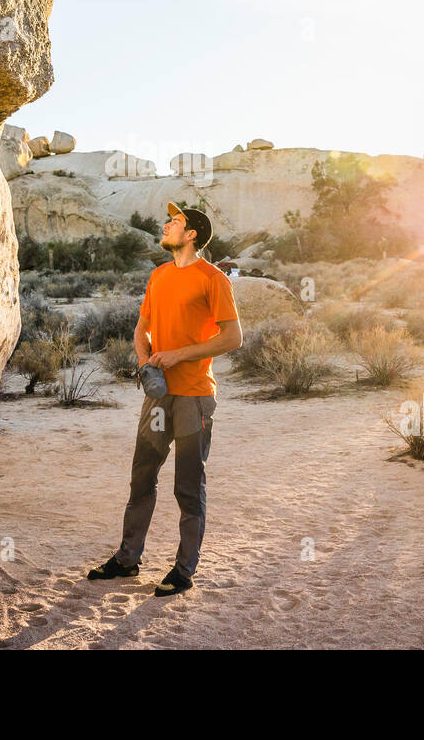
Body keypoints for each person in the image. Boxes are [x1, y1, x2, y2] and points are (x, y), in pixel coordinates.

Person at [87, 202, 242, 596]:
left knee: (188, 486)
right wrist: (145, 364)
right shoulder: (157, 276)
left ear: (192, 234)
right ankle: (127, 560)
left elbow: (232, 338)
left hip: (194, 397)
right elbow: (142, 328)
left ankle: (183, 570)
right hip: (158, 397)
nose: (166, 224)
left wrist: (177, 355)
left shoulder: (214, 279)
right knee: (142, 477)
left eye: (174, 222)